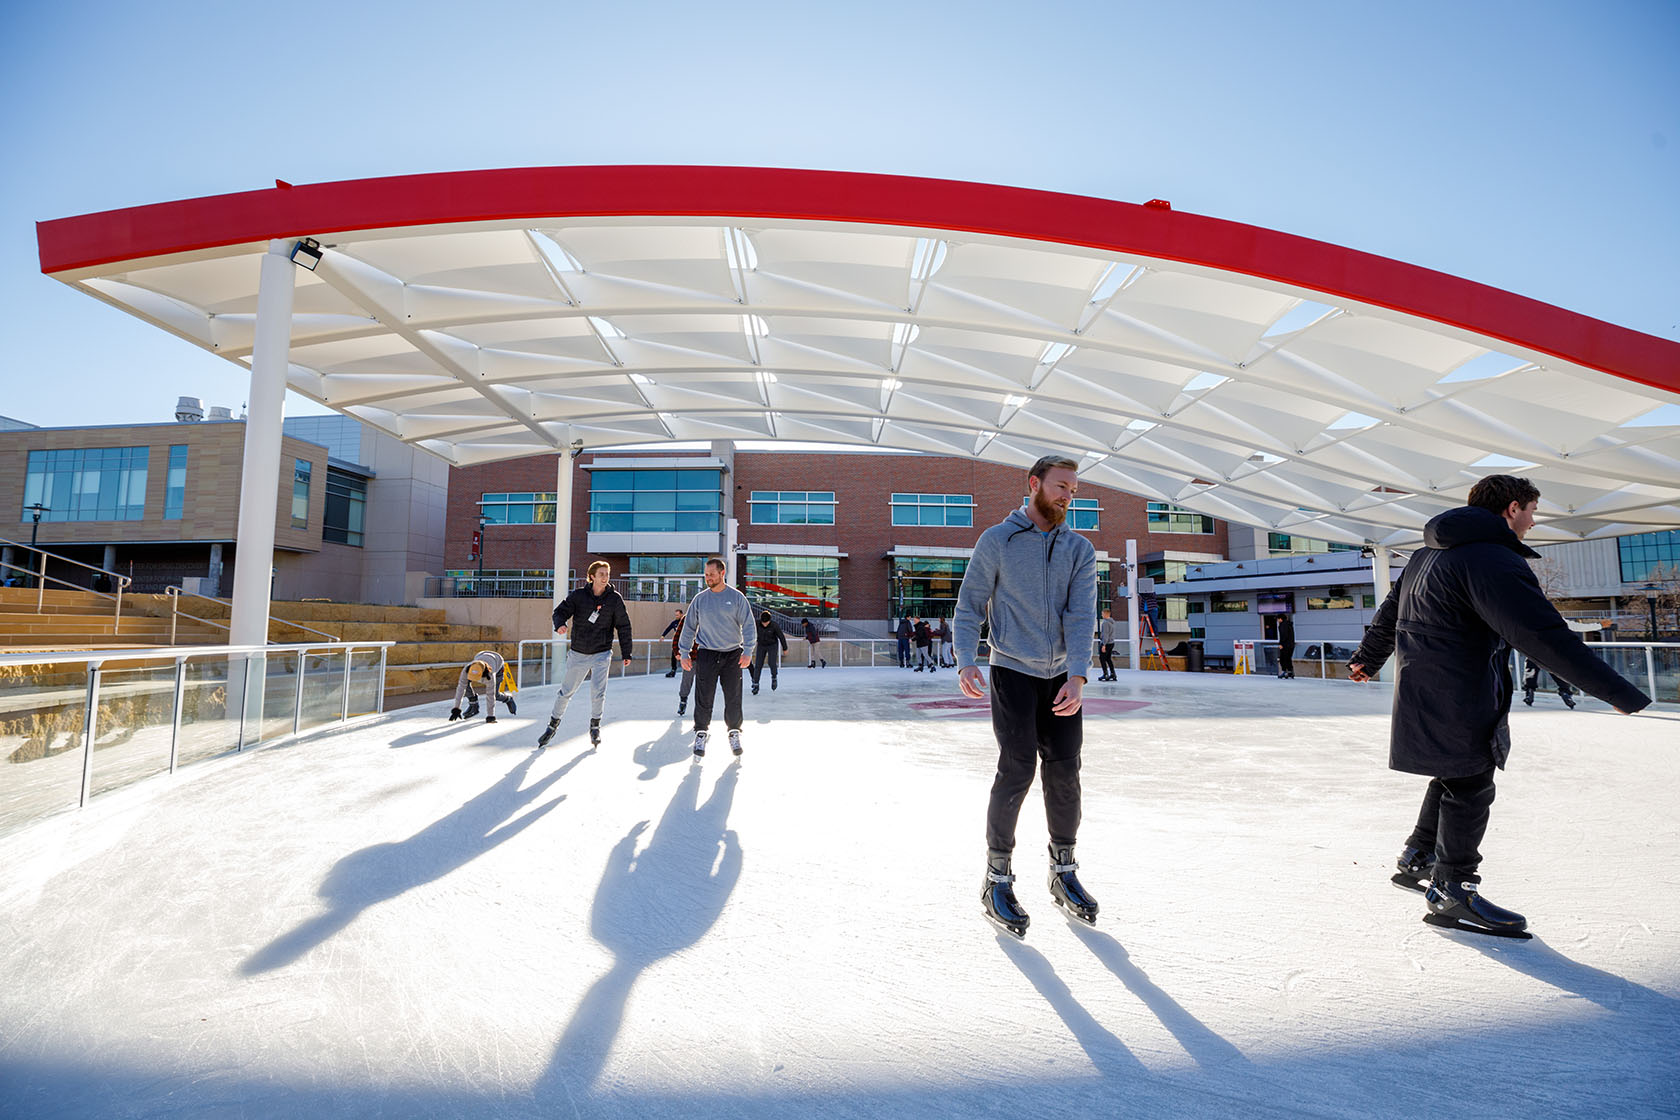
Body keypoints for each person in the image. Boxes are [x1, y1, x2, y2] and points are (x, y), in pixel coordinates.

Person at [1348, 474, 1650, 939]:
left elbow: (1391, 610)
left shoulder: (1428, 554)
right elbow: (1540, 633)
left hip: (1422, 684)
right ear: (1511, 508)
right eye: (1531, 511)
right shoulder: (1488, 558)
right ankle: (1453, 889)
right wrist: (1617, 692)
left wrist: (1368, 658)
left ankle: (1419, 857)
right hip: (1460, 686)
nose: (1532, 522)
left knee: (1454, 772)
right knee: (1471, 781)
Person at [955, 453, 1099, 939]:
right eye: (1061, 486)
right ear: (1034, 483)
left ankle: (1063, 871)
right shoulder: (998, 540)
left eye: (1073, 490)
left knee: (1065, 774)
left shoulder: (1079, 548)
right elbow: (970, 603)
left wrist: (1077, 675)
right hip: (1012, 670)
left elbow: (1082, 615)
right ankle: (997, 878)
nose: (1067, 496)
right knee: (1016, 769)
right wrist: (965, 658)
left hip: (1061, 676)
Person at [537, 560, 633, 750]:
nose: (605, 577)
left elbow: (623, 626)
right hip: (578, 652)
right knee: (566, 692)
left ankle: (595, 726)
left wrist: (626, 652)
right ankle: (552, 725)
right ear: (592, 577)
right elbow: (560, 612)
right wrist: (560, 624)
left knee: (598, 693)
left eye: (607, 574)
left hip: (602, 653)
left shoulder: (614, 599)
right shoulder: (579, 596)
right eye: (601, 574)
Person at [679, 558, 756, 758]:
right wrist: (684, 652)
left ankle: (734, 732)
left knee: (733, 696)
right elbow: (688, 627)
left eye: (712, 574)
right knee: (703, 695)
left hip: (732, 655)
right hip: (707, 653)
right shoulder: (700, 599)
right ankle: (701, 733)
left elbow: (748, 625)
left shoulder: (736, 597)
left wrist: (748, 651)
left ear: (722, 573)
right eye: (706, 574)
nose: (708, 578)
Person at [450, 650, 516, 723]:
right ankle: (473, 703)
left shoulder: (490, 675)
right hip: (482, 655)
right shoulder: (466, 669)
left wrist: (491, 716)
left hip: (498, 664)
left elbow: (490, 695)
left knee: (495, 695)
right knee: (465, 684)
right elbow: (461, 688)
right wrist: (456, 708)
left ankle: (508, 699)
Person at [749, 609, 787, 694]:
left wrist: (785, 648)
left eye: (766, 623)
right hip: (761, 645)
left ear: (770, 621)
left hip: (772, 645)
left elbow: (781, 636)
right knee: (758, 664)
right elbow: (749, 630)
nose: (765, 624)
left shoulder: (774, 625)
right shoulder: (757, 623)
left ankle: (774, 677)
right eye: (763, 623)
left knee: (771, 662)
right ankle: (755, 684)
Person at [662, 608, 686, 677]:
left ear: (681, 614)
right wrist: (663, 636)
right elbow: (668, 628)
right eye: (676, 615)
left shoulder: (685, 622)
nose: (676, 616)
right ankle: (673, 670)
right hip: (677, 642)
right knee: (674, 655)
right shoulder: (674, 623)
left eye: (678, 615)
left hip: (685, 642)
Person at [1096, 608, 1117, 681]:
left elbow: (1105, 634)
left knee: (1102, 659)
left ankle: (1105, 674)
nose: (1101, 615)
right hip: (1111, 643)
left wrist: (1104, 645)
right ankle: (1113, 673)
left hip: (1106, 643)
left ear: (1105, 614)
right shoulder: (1112, 622)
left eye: (1102, 613)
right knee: (1108, 659)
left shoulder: (1105, 623)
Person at [1275, 613, 1296, 679]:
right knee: (1288, 659)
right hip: (1291, 645)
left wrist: (1281, 644)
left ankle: (1285, 672)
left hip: (1285, 645)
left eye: (1278, 619)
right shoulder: (1289, 624)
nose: (1278, 621)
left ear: (1280, 619)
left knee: (1282, 659)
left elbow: (1283, 636)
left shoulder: (1282, 625)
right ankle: (1290, 672)